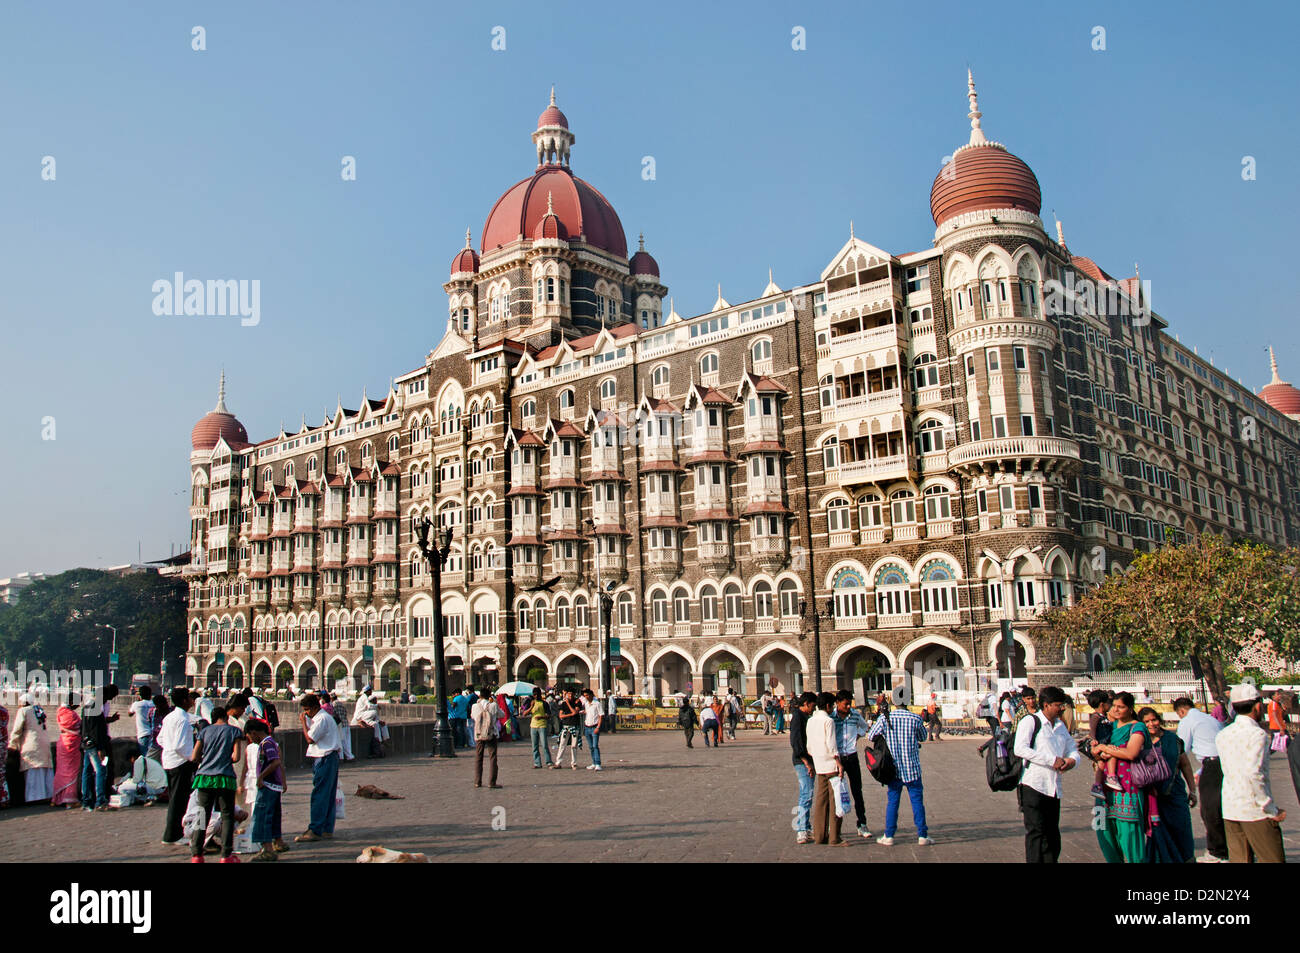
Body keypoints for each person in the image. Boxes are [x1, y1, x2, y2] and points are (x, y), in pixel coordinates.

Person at [1217, 683, 1286, 863]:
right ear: (1257, 706)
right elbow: (1253, 773)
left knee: (1240, 859)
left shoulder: (1223, 734)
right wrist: (1270, 809)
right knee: (1272, 858)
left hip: (1231, 808)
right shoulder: (1257, 734)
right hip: (1255, 810)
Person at [1014, 686, 1080, 863]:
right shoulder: (1030, 722)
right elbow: (1020, 748)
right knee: (1036, 832)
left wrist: (1072, 761)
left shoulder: (1060, 726)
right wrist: (1051, 760)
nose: (1062, 709)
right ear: (1046, 705)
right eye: (1058, 705)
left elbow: (1073, 749)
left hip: (1054, 787)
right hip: (1033, 785)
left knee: (1052, 833)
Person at [1091, 691, 1149, 863]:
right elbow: (1098, 752)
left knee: (1129, 834)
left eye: (1121, 707)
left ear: (1130, 709)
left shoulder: (1137, 727)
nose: (1116, 710)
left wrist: (1106, 748)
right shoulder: (1110, 726)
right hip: (1104, 787)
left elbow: (1131, 753)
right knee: (1103, 830)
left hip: (1127, 788)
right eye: (1114, 706)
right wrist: (1096, 750)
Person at [866, 697, 931, 846]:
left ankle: (889, 835)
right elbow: (922, 736)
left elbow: (871, 736)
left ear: (894, 702)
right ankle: (922, 835)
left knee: (893, 802)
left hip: (893, 768)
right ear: (907, 700)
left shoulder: (885, 718)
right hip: (912, 767)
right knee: (917, 802)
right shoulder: (915, 718)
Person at [1173, 696, 1228, 863]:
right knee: (1222, 807)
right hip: (1223, 763)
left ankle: (1218, 852)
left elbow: (1181, 748)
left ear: (1181, 711)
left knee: (1210, 810)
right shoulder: (1210, 719)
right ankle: (1227, 848)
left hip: (1212, 766)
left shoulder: (1187, 721)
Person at [1139, 706, 1197, 863]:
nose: (1152, 724)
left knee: (1182, 830)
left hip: (1175, 793)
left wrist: (1192, 790)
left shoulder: (1173, 740)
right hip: (1152, 797)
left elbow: (1185, 765)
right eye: (1147, 722)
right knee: (1158, 834)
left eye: (1154, 719)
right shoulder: (1140, 742)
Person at [188, 705, 244, 863]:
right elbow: (236, 757)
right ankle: (226, 855)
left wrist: (206, 760)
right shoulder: (234, 731)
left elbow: (194, 756)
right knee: (227, 816)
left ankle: (197, 854)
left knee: (201, 815)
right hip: (225, 776)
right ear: (226, 716)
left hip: (205, 777)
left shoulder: (204, 731)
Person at [295, 693, 341, 843]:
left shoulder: (321, 718)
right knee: (328, 794)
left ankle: (315, 829)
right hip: (330, 757)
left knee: (320, 795)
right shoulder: (323, 718)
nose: (306, 713)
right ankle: (327, 828)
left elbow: (310, 738)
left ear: (315, 707)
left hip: (325, 758)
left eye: (307, 710)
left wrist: (303, 722)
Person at [244, 718, 286, 861]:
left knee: (262, 816)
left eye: (249, 736)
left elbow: (275, 762)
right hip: (274, 785)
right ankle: (277, 842)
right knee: (273, 815)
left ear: (254, 733)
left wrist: (261, 777)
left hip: (268, 786)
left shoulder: (266, 744)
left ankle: (267, 849)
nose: (250, 739)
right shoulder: (271, 742)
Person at [805, 692, 844, 845]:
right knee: (835, 801)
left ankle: (820, 835)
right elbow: (832, 744)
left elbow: (809, 746)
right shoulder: (828, 721)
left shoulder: (811, 720)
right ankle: (834, 837)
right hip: (830, 764)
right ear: (828, 706)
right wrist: (838, 762)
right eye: (832, 705)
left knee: (821, 802)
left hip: (819, 764)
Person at [159, 687, 196, 844]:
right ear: (184, 701)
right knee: (178, 801)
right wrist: (192, 758)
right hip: (180, 762)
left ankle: (174, 833)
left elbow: (160, 739)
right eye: (189, 697)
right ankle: (173, 835)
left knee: (176, 798)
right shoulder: (182, 720)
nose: (191, 700)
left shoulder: (169, 717)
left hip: (169, 761)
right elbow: (179, 745)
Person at [833, 690, 872, 839]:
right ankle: (835, 826)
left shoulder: (854, 715)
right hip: (837, 758)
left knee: (857, 791)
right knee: (836, 792)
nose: (848, 706)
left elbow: (864, 726)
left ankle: (862, 823)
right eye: (845, 704)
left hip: (852, 756)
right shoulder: (832, 717)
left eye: (850, 703)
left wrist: (858, 735)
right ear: (838, 702)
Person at [9, 692, 53, 804]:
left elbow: (17, 730)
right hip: (44, 744)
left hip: (31, 744)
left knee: (33, 772)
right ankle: (48, 795)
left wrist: (12, 745)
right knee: (44, 770)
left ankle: (34, 798)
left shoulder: (23, 711)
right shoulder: (39, 710)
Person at [789, 691, 817, 844]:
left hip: (806, 759)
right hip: (802, 761)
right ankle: (801, 829)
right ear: (806, 704)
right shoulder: (798, 718)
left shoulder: (804, 716)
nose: (813, 709)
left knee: (807, 794)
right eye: (812, 706)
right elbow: (796, 742)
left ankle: (806, 826)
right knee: (806, 795)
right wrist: (806, 762)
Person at [79, 689, 113, 812]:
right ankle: (100, 801)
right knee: (101, 770)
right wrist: (100, 748)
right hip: (95, 745)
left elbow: (83, 727)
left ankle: (86, 801)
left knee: (87, 771)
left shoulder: (86, 706)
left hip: (86, 744)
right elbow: (97, 731)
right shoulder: (96, 708)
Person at [51, 700, 82, 808]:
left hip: (62, 743)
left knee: (61, 771)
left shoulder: (60, 711)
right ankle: (70, 800)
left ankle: (56, 798)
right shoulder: (70, 714)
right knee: (71, 772)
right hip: (71, 744)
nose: (79, 705)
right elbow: (78, 726)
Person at [471, 689, 501, 788]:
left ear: (480, 696)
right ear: (489, 695)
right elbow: (502, 714)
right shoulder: (493, 705)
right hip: (491, 733)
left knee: (478, 757)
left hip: (479, 734)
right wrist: (494, 702)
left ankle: (477, 781)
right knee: (492, 757)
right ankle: (492, 782)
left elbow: (472, 717)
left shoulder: (475, 706)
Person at [352, 685, 384, 758]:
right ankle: (362, 721)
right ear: (368, 691)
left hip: (363, 715)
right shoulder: (364, 697)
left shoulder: (365, 697)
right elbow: (369, 706)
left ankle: (379, 739)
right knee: (374, 712)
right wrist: (376, 705)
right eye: (370, 690)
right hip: (360, 715)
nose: (371, 692)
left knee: (376, 724)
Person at [527, 689, 554, 768]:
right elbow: (525, 713)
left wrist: (541, 717)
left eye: (537, 694)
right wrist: (531, 706)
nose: (536, 696)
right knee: (534, 746)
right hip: (533, 726)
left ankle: (548, 761)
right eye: (534, 694)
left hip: (542, 726)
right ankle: (537, 763)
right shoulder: (531, 702)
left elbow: (549, 715)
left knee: (544, 745)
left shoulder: (544, 703)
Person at [128, 686, 155, 756]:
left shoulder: (136, 704)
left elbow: (129, 714)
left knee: (144, 758)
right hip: (154, 735)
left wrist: (139, 700)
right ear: (150, 695)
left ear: (140, 695)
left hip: (143, 734)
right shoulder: (154, 704)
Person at [581, 688, 603, 771]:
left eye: (587, 695)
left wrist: (598, 727)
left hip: (594, 727)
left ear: (591, 695)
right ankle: (594, 762)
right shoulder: (586, 704)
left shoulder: (597, 703)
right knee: (591, 747)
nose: (586, 697)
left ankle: (598, 763)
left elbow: (601, 715)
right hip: (587, 726)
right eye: (585, 696)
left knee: (595, 746)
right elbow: (588, 712)